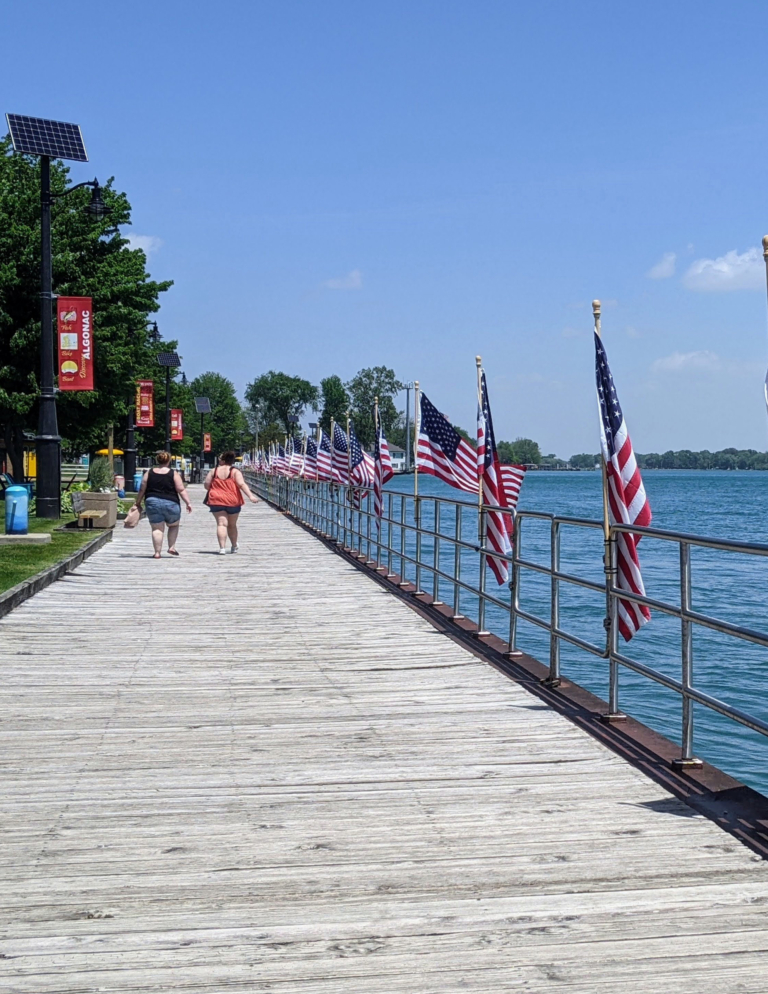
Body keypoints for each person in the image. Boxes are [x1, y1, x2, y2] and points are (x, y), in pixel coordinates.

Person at [134, 451, 193, 559]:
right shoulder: (173, 473)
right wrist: (188, 503)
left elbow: (142, 488)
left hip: (152, 502)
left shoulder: (149, 473)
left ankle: (157, 553)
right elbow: (180, 489)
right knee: (174, 525)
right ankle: (171, 547)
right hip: (171, 502)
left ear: (157, 460)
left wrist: (138, 502)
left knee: (157, 528)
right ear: (169, 460)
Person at [204, 451, 258, 554]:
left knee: (221, 524)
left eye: (220, 458)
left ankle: (222, 548)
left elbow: (207, 485)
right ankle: (233, 546)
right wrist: (250, 496)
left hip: (216, 500)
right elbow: (241, 484)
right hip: (232, 500)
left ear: (223, 460)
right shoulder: (235, 472)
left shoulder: (213, 471)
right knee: (232, 525)